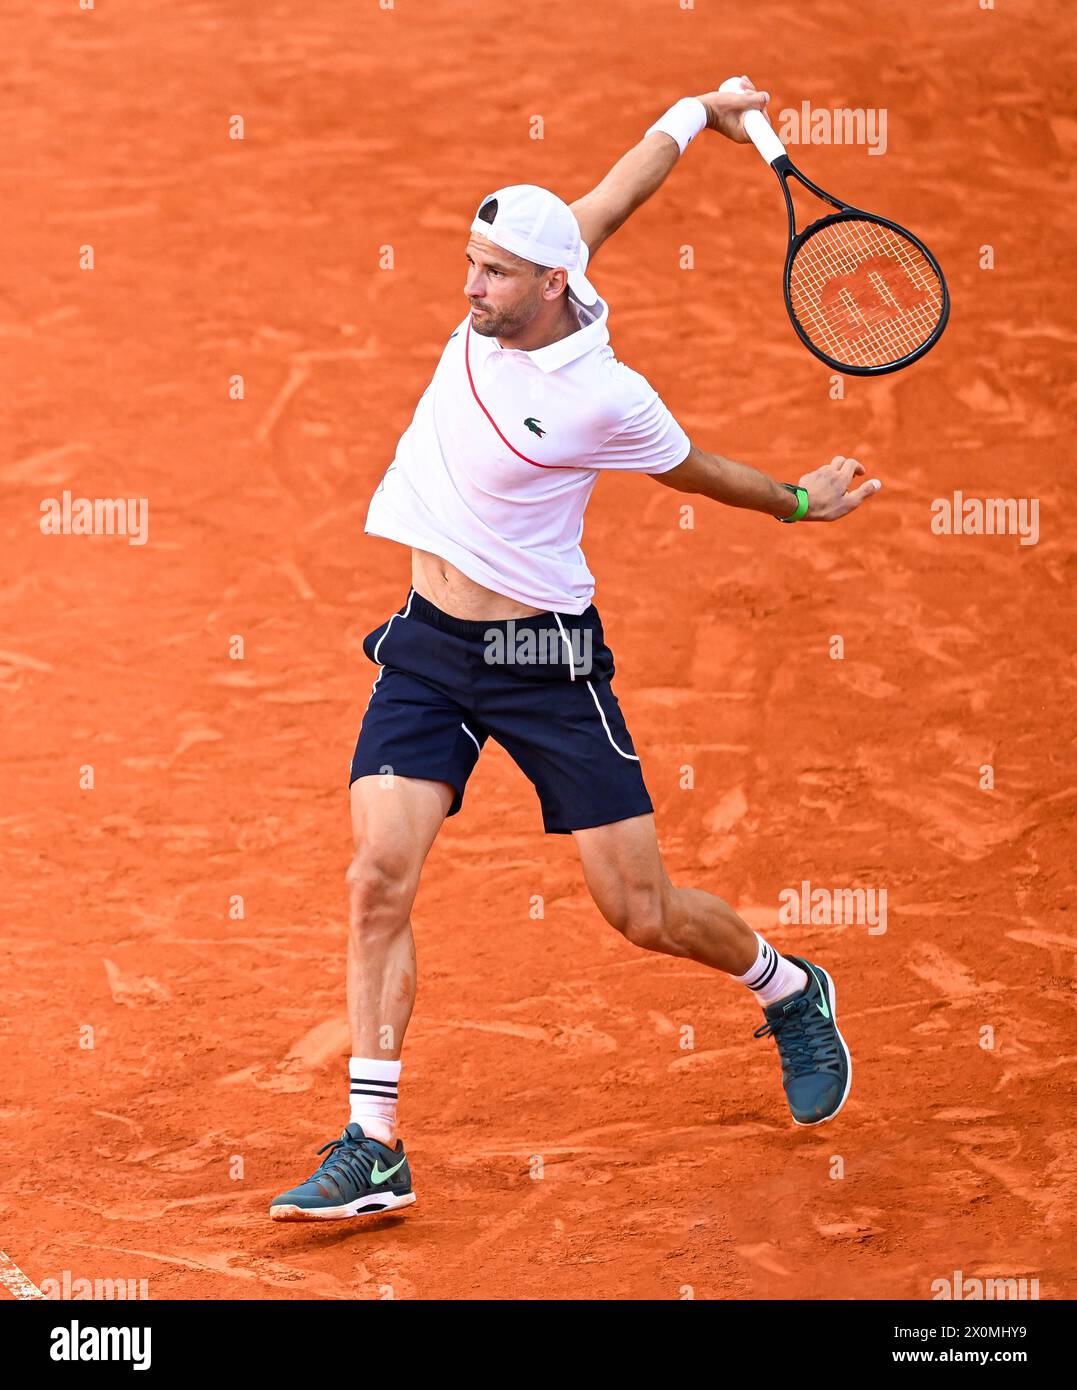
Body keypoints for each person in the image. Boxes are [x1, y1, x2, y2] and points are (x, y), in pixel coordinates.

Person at [271, 78, 878, 1222]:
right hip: (431, 649)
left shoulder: (609, 398)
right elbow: (614, 190)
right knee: (374, 881)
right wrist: (703, 108)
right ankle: (376, 1139)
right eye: (470, 264)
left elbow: (699, 474)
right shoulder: (536, 269)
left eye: (491, 275)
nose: (469, 289)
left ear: (553, 287)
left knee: (638, 910)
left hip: (546, 661)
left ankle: (790, 986)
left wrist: (802, 501)